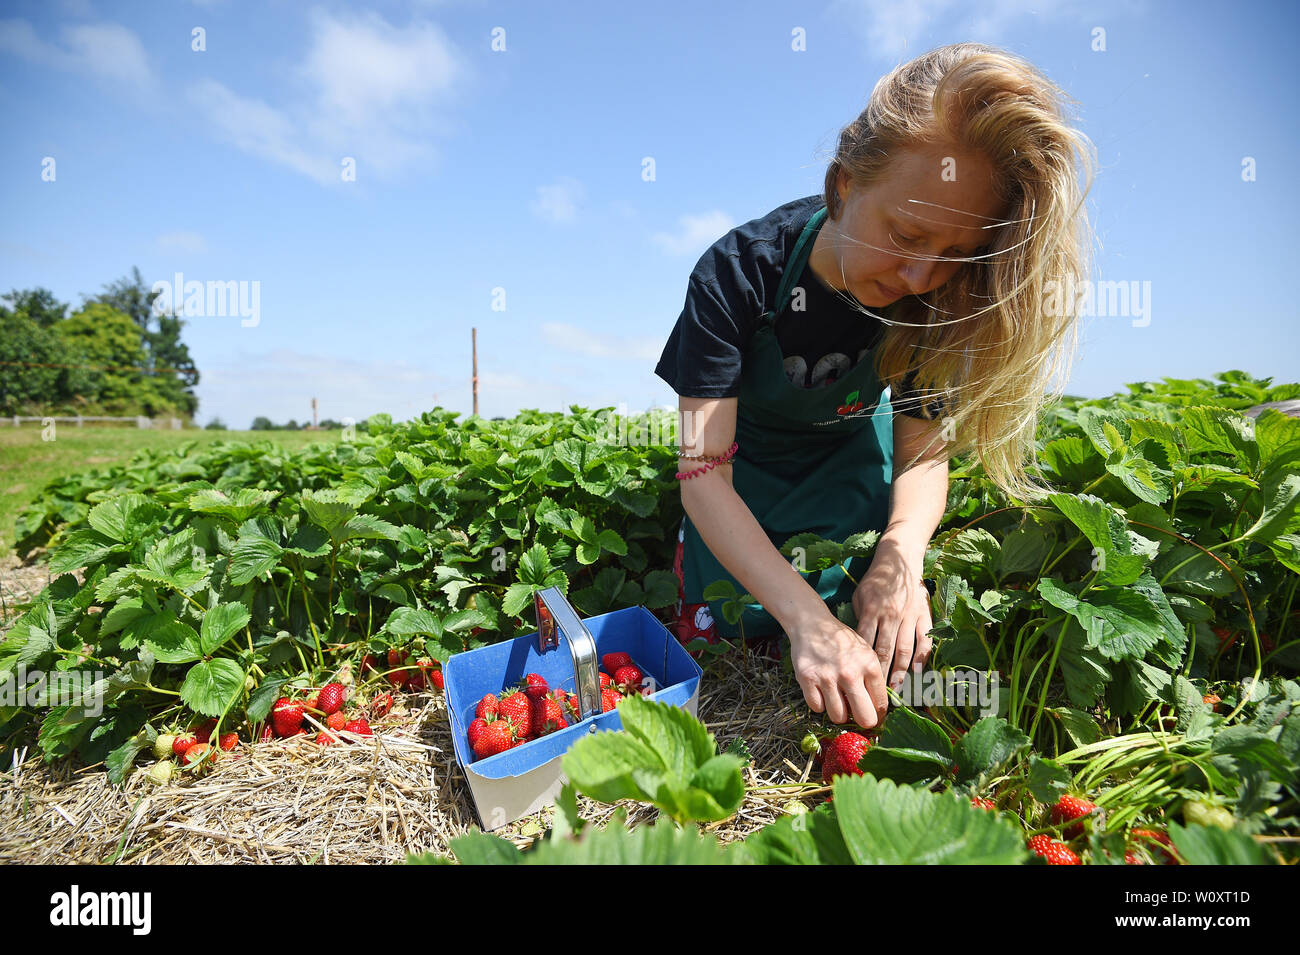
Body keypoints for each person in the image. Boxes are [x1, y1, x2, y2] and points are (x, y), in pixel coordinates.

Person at [654, 42, 1096, 729]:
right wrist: (806, 622)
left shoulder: (936, 304)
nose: (921, 278)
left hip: (849, 475)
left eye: (954, 253)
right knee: (731, 633)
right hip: (739, 488)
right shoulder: (736, 274)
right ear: (842, 186)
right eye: (906, 234)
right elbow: (701, 468)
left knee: (888, 632)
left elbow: (922, 453)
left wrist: (900, 553)